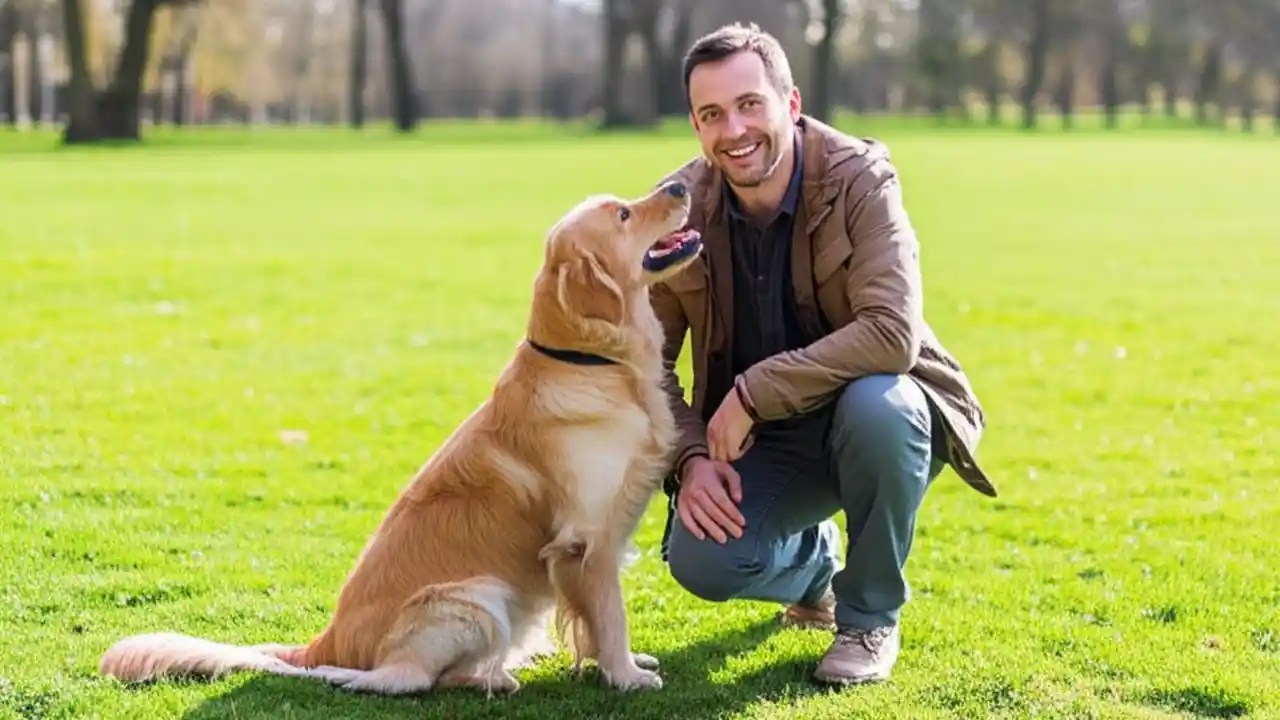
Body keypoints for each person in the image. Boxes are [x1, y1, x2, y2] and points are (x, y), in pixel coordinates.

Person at [648, 22, 997, 686]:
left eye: (751, 104)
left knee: (880, 404)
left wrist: (752, 392)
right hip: (761, 444)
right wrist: (691, 457)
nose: (735, 129)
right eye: (712, 114)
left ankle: (867, 620)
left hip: (874, 425)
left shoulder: (860, 178)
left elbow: (893, 333)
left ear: (792, 104)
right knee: (702, 561)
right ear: (696, 128)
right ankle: (814, 567)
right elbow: (647, 361)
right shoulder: (681, 210)